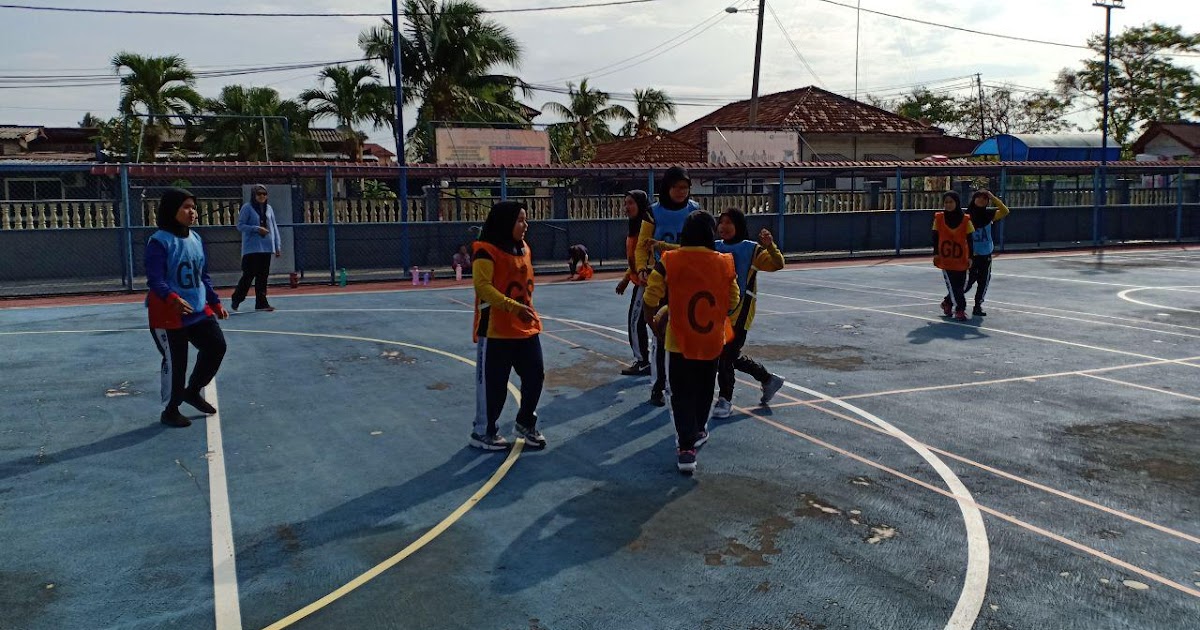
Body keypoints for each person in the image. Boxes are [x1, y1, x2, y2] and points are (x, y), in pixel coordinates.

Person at [643, 210, 740, 474]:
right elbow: (733, 300)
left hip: (679, 341)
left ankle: (686, 448)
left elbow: (651, 296)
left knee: (680, 393)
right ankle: (698, 429)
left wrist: (654, 320)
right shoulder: (724, 262)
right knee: (704, 389)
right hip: (711, 341)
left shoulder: (670, 260)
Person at [145, 188, 229, 428]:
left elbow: (203, 275)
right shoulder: (159, 242)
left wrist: (214, 301)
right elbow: (155, 279)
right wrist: (172, 298)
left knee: (216, 346)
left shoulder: (196, 239)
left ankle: (192, 391)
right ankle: (170, 410)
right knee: (177, 363)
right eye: (185, 207)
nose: (192, 211)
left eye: (193, 207)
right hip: (169, 313)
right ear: (172, 210)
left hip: (198, 308)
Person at [470, 201, 547, 451]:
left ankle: (525, 422)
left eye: (525, 219)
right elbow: (483, 287)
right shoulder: (485, 251)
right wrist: (513, 307)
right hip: (496, 330)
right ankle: (483, 431)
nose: (526, 225)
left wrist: (523, 311)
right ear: (505, 222)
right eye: (520, 220)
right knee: (494, 385)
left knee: (535, 375)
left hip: (524, 327)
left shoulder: (524, 248)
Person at [635, 166, 701, 407]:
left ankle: (685, 382)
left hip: (687, 281)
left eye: (685, 187)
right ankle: (658, 386)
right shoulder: (653, 212)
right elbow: (642, 244)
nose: (681, 191)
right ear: (667, 188)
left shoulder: (694, 210)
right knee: (660, 334)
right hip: (662, 279)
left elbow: (698, 245)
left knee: (688, 333)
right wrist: (641, 268)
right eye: (676, 187)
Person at [711, 209, 786, 417]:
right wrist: (661, 246)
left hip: (741, 311)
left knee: (726, 356)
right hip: (718, 310)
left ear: (739, 225)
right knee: (727, 355)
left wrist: (770, 246)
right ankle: (768, 379)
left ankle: (725, 400)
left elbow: (777, 264)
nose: (724, 226)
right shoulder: (714, 247)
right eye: (721, 222)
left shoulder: (751, 249)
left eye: (729, 222)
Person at [615, 190, 651, 376]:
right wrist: (627, 278)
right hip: (640, 280)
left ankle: (643, 361)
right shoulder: (634, 226)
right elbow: (634, 260)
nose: (626, 207)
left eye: (630, 203)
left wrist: (628, 278)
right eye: (625, 203)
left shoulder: (646, 227)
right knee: (644, 321)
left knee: (635, 321)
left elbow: (643, 258)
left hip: (647, 282)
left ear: (640, 204)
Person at [231, 183, 282, 312]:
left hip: (266, 247)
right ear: (254, 195)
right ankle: (237, 298)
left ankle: (261, 303)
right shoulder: (247, 208)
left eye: (264, 194)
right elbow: (240, 226)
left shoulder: (269, 208)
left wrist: (277, 246)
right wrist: (256, 229)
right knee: (248, 276)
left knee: (263, 277)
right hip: (252, 249)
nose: (262, 196)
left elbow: (274, 227)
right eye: (259, 194)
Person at [963, 190, 1011, 316]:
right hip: (971, 255)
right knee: (968, 281)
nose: (982, 200)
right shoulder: (966, 216)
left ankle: (978, 305)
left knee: (984, 281)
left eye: (985, 198)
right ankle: (951, 299)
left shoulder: (989, 215)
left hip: (985, 254)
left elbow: (1005, 211)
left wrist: (993, 197)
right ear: (973, 199)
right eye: (979, 197)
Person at [934, 192, 976, 321]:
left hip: (961, 259)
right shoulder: (939, 218)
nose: (948, 204)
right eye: (946, 202)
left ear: (957, 203)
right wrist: (936, 253)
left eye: (951, 202)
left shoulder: (966, 220)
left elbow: (970, 240)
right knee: (954, 287)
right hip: (946, 259)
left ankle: (947, 303)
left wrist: (970, 257)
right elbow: (935, 237)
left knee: (961, 285)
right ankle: (960, 309)